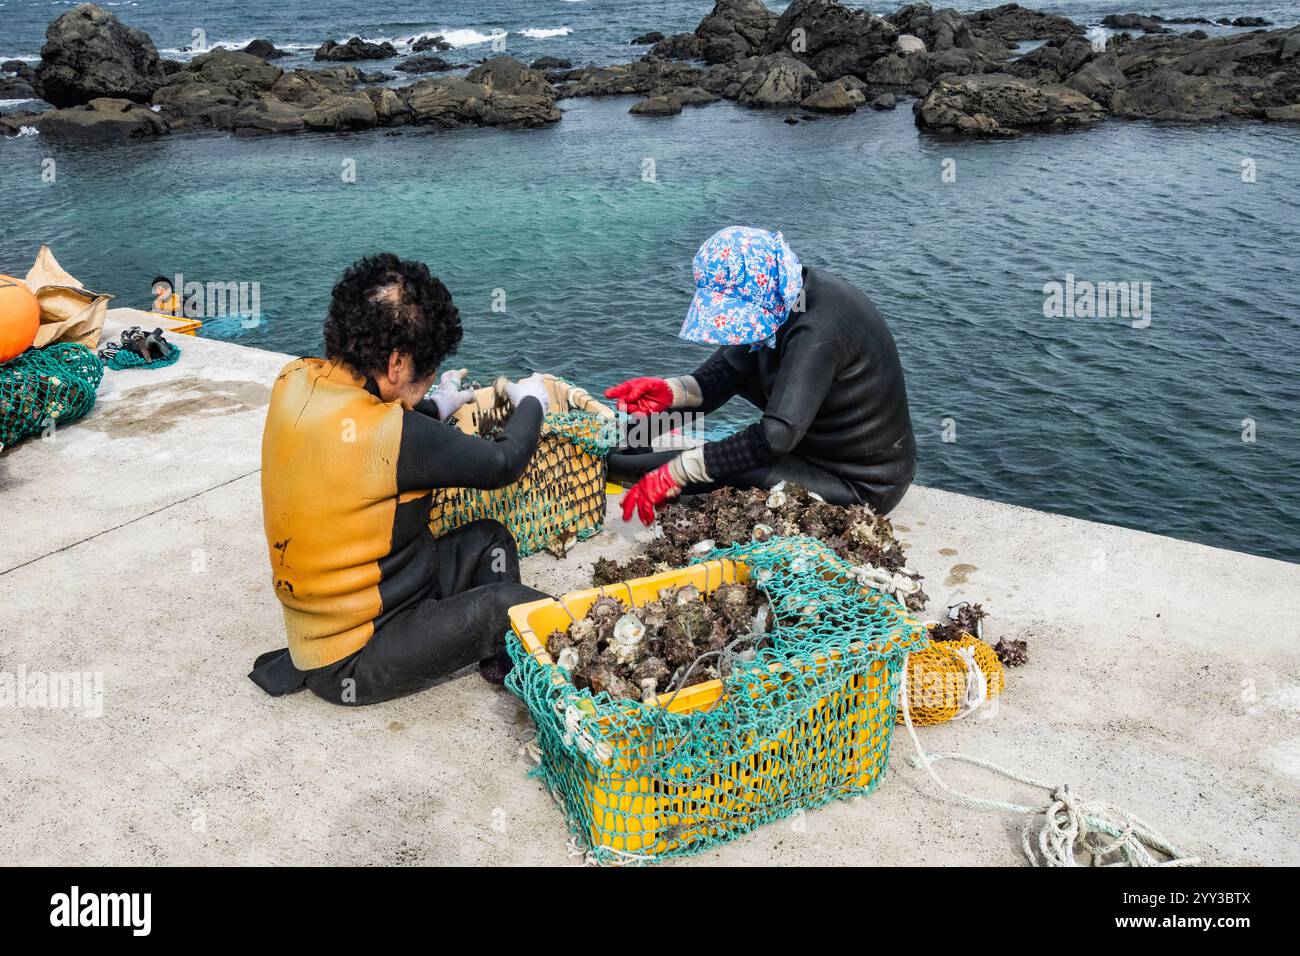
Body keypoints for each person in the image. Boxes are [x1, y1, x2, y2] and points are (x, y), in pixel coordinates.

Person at [249, 253, 552, 705]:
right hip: (354, 655)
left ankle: (500, 660)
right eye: (423, 378)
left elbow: (366, 429)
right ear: (396, 364)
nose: (423, 390)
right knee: (504, 606)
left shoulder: (293, 379)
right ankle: (505, 644)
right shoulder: (396, 436)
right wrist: (533, 403)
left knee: (489, 540)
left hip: (390, 595)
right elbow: (503, 462)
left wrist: (437, 405)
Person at [606, 226, 915, 525]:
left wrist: (677, 472)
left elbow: (773, 438)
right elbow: (724, 376)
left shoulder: (816, 329)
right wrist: (672, 392)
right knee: (647, 428)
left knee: (733, 467)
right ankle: (626, 454)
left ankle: (614, 468)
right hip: (806, 448)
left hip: (860, 484)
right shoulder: (782, 295)